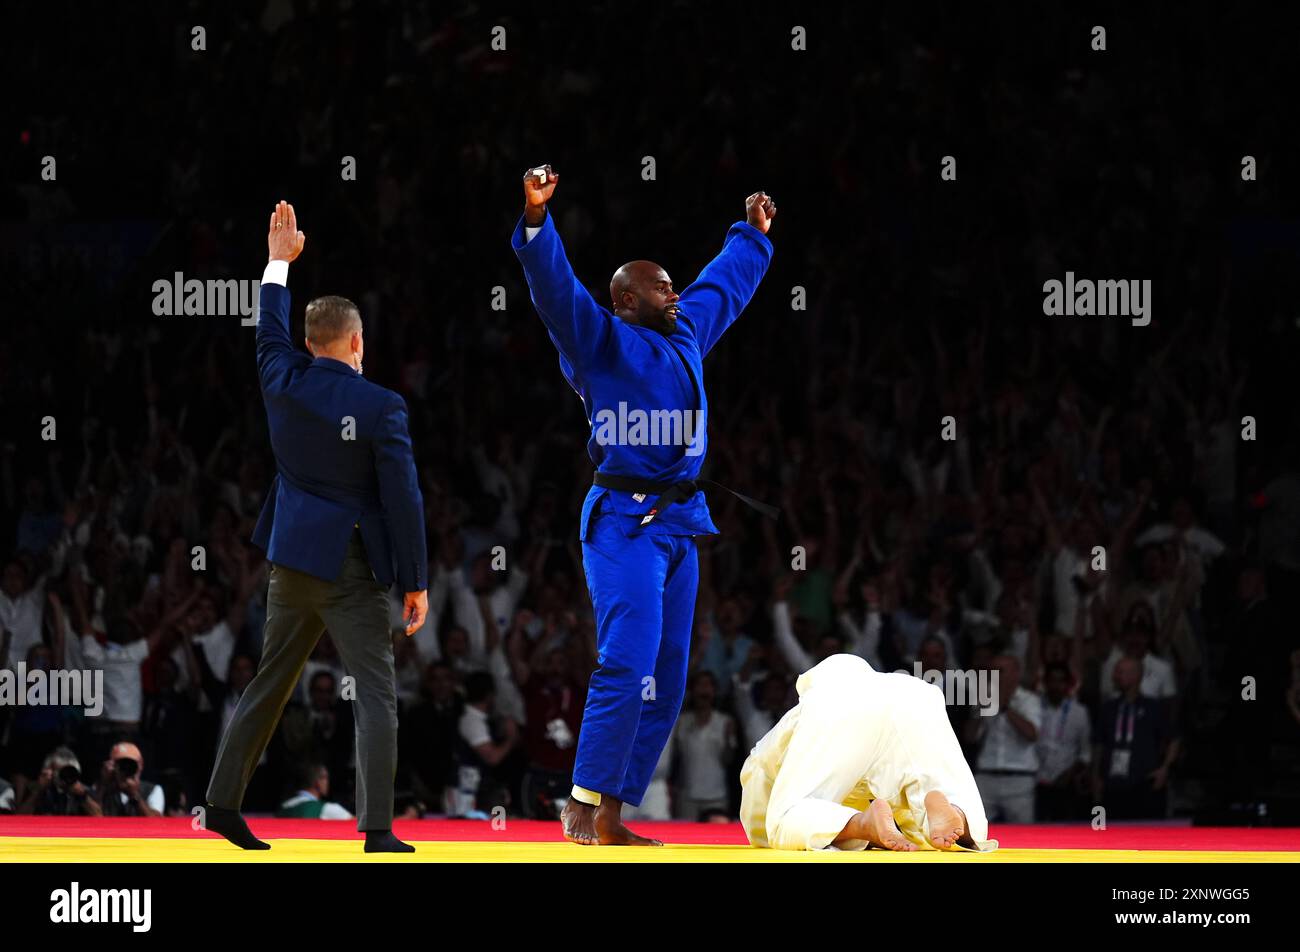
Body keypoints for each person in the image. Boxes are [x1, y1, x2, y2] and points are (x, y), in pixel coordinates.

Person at [512, 165, 776, 845]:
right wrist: (539, 224)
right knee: (626, 659)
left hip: (679, 526)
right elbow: (555, 293)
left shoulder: (686, 333)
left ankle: (611, 817)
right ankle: (577, 799)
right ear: (627, 301)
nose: (675, 291)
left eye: (672, 283)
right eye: (661, 286)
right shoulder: (601, 342)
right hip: (623, 524)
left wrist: (749, 234)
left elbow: (723, 286)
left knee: (668, 675)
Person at [203, 202, 428, 854]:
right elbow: (405, 499)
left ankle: (221, 803)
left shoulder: (282, 377)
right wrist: (415, 580)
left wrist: (278, 259)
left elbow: (267, 326)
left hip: (291, 559)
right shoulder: (382, 405)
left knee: (270, 682)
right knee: (377, 695)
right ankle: (379, 829)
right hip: (352, 567)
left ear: (309, 344)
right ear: (357, 342)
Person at [740, 654, 996, 852]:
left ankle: (863, 824)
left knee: (784, 818)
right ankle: (956, 815)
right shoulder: (895, 687)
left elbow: (756, 769)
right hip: (917, 695)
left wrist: (764, 827)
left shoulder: (815, 701)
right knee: (943, 798)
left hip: (839, 706)